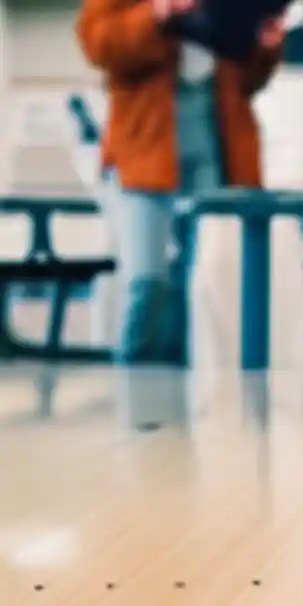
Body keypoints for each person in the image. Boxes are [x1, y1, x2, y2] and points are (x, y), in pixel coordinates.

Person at [77, 0, 283, 364]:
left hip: (215, 149)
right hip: (144, 152)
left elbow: (249, 81)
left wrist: (266, 48)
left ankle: (183, 385)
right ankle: (138, 387)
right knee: (147, 279)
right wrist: (158, 12)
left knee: (201, 283)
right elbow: (99, 45)